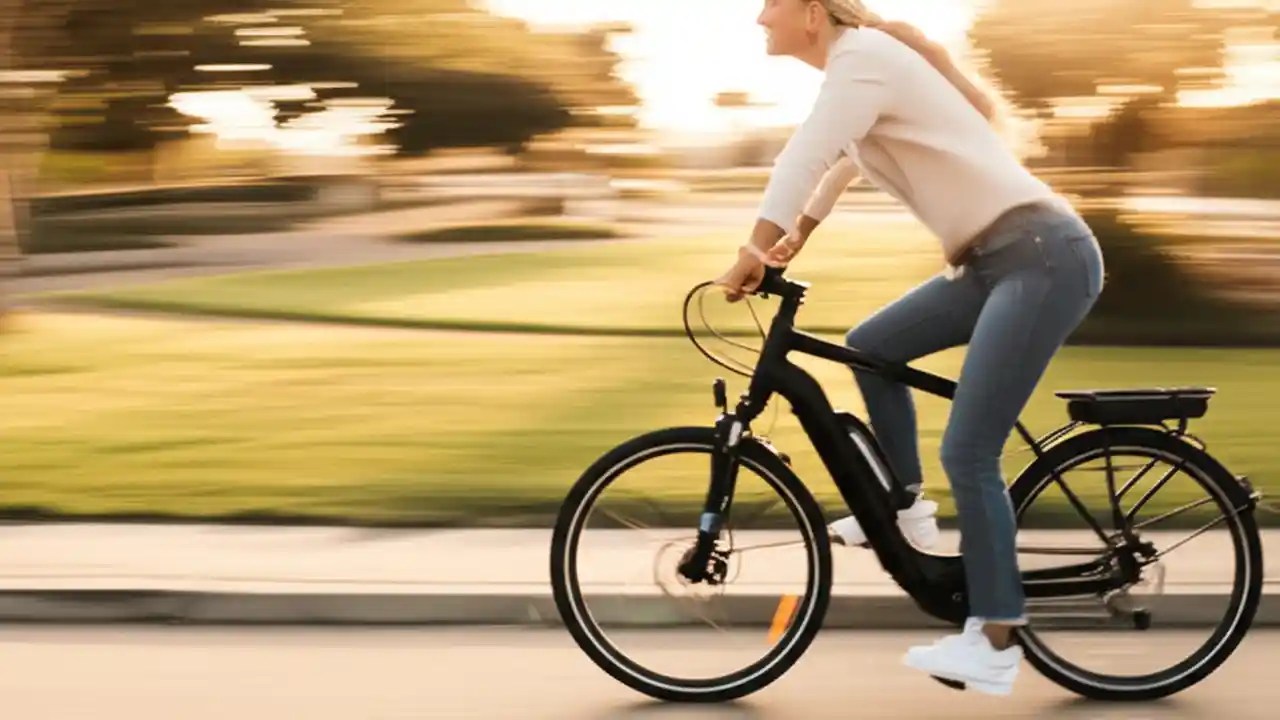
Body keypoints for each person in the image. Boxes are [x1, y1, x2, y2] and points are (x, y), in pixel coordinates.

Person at [716, 0, 1106, 696]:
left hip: (1042, 258)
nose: (758, 18)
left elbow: (808, 148)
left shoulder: (861, 60)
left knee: (970, 449)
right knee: (874, 345)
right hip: (995, 261)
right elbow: (840, 158)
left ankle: (994, 636)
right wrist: (797, 231)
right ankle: (906, 506)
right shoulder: (860, 68)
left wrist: (753, 246)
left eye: (770, 3)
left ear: (811, 12)